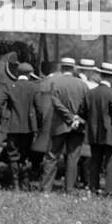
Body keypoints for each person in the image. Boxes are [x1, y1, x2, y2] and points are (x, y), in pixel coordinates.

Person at [40, 57, 88, 192]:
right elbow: (86, 105)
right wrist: (76, 119)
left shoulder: (56, 82)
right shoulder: (83, 84)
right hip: (78, 126)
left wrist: (69, 118)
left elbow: (56, 103)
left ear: (61, 68)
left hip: (59, 125)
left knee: (52, 156)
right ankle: (69, 189)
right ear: (73, 69)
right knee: (73, 158)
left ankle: (46, 189)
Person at [0, 62, 39, 190]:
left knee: (13, 155)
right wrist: (38, 124)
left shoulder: (9, 86)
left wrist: (2, 119)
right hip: (29, 127)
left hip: (12, 127)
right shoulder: (34, 87)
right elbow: (40, 108)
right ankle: (25, 184)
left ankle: (15, 185)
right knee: (25, 154)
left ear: (17, 73)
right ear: (29, 74)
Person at [83, 63, 112, 196]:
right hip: (110, 133)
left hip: (93, 132)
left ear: (100, 75)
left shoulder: (90, 93)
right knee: (110, 162)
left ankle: (94, 188)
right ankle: (109, 190)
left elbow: (82, 111)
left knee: (95, 161)